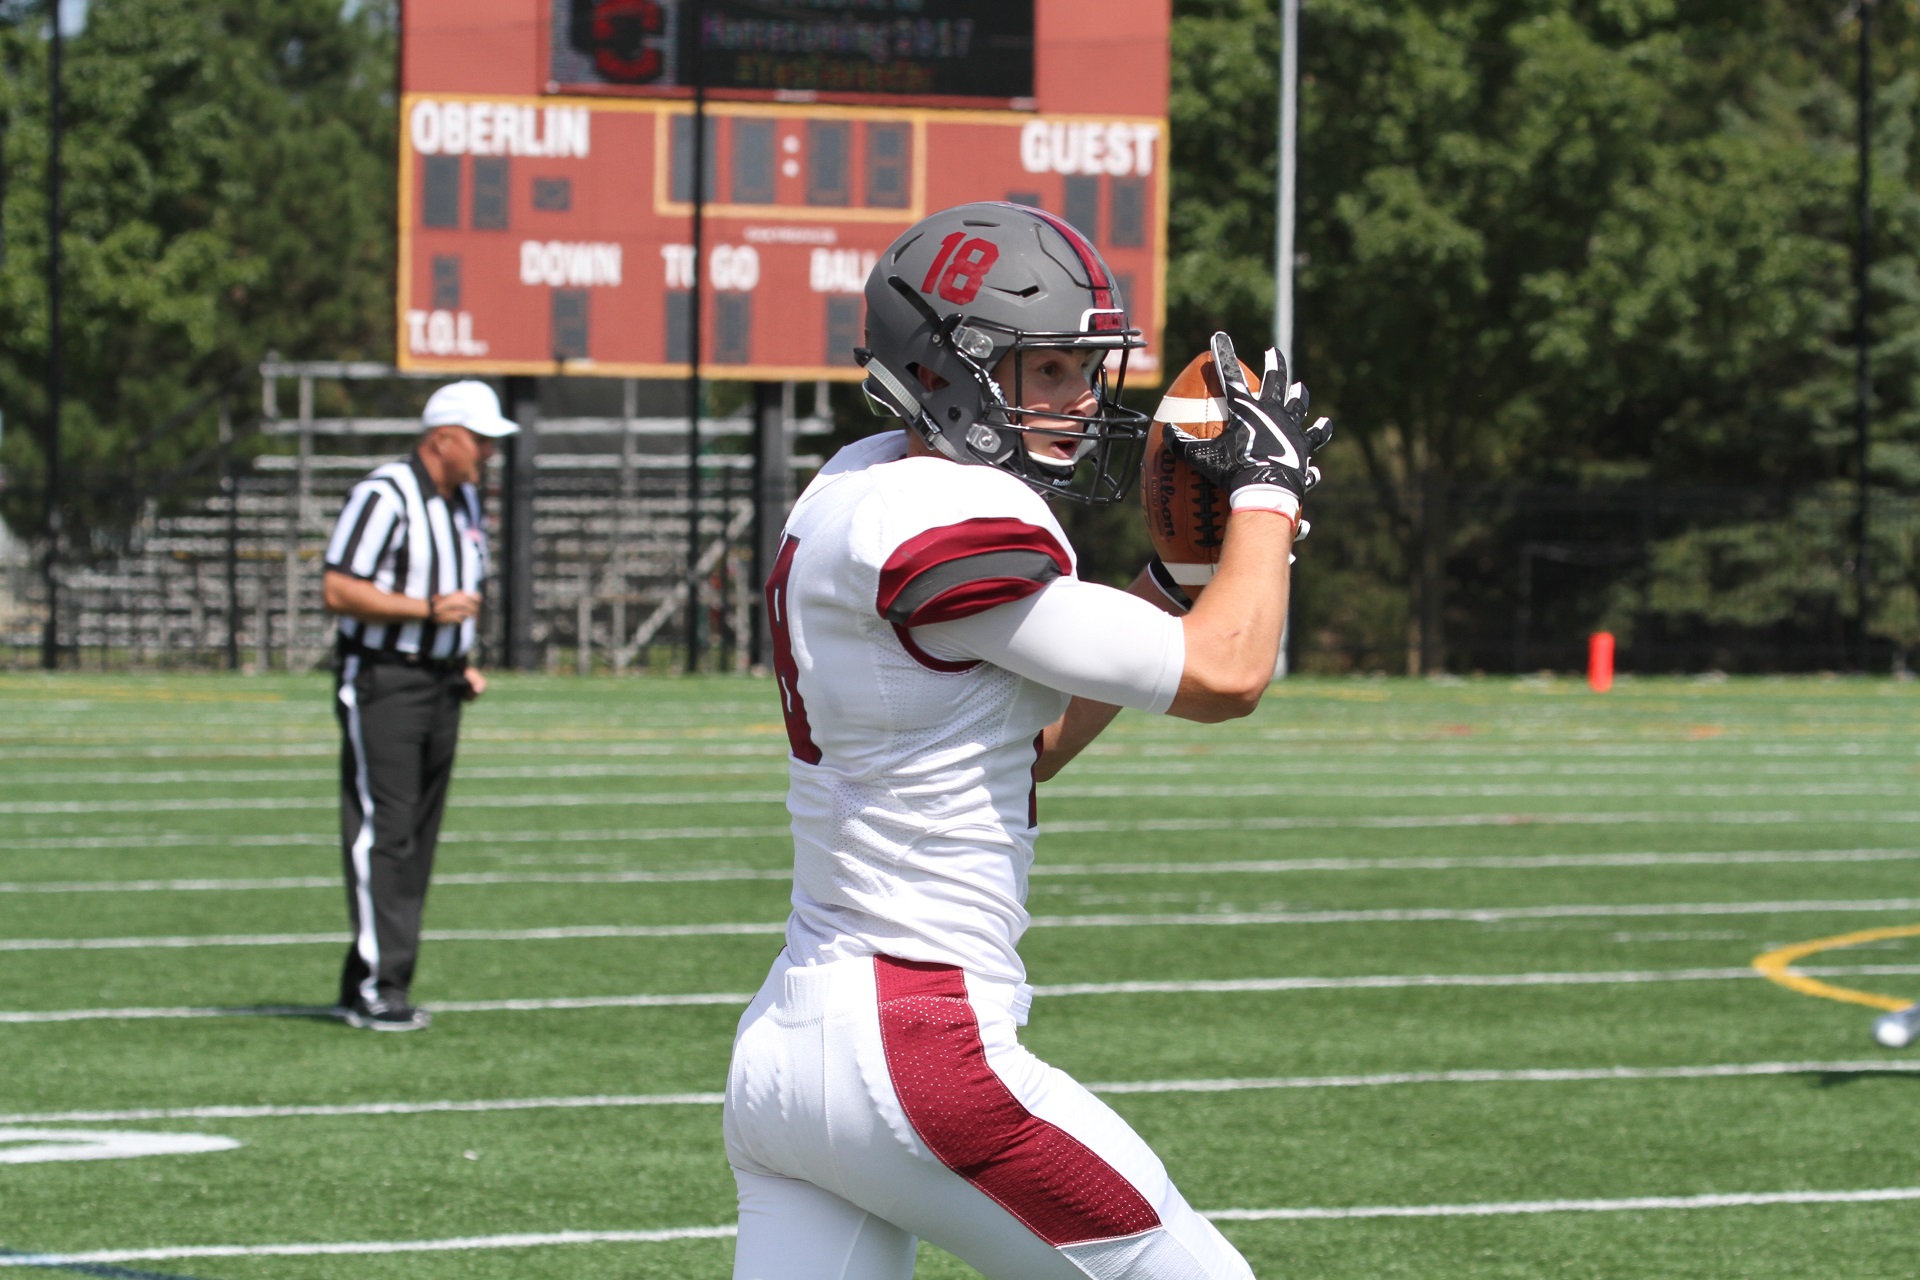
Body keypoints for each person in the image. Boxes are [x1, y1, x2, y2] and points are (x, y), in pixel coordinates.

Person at [723, 202, 1332, 1278]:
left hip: (792, 1045)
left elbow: (1027, 737)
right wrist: (1267, 494)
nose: (1079, 400)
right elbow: (1230, 673)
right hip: (916, 1048)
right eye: (1044, 368)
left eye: (1084, 368)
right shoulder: (944, 512)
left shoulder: (854, 486)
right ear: (946, 364)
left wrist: (1165, 585)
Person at [319, 380, 518, 1031]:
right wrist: (427, 613)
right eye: (480, 441)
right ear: (443, 438)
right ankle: (380, 984)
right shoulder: (385, 494)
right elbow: (339, 588)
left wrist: (456, 656)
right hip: (385, 680)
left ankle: (374, 978)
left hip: (439, 683)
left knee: (418, 836)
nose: (488, 453)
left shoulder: (463, 499)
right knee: (388, 831)